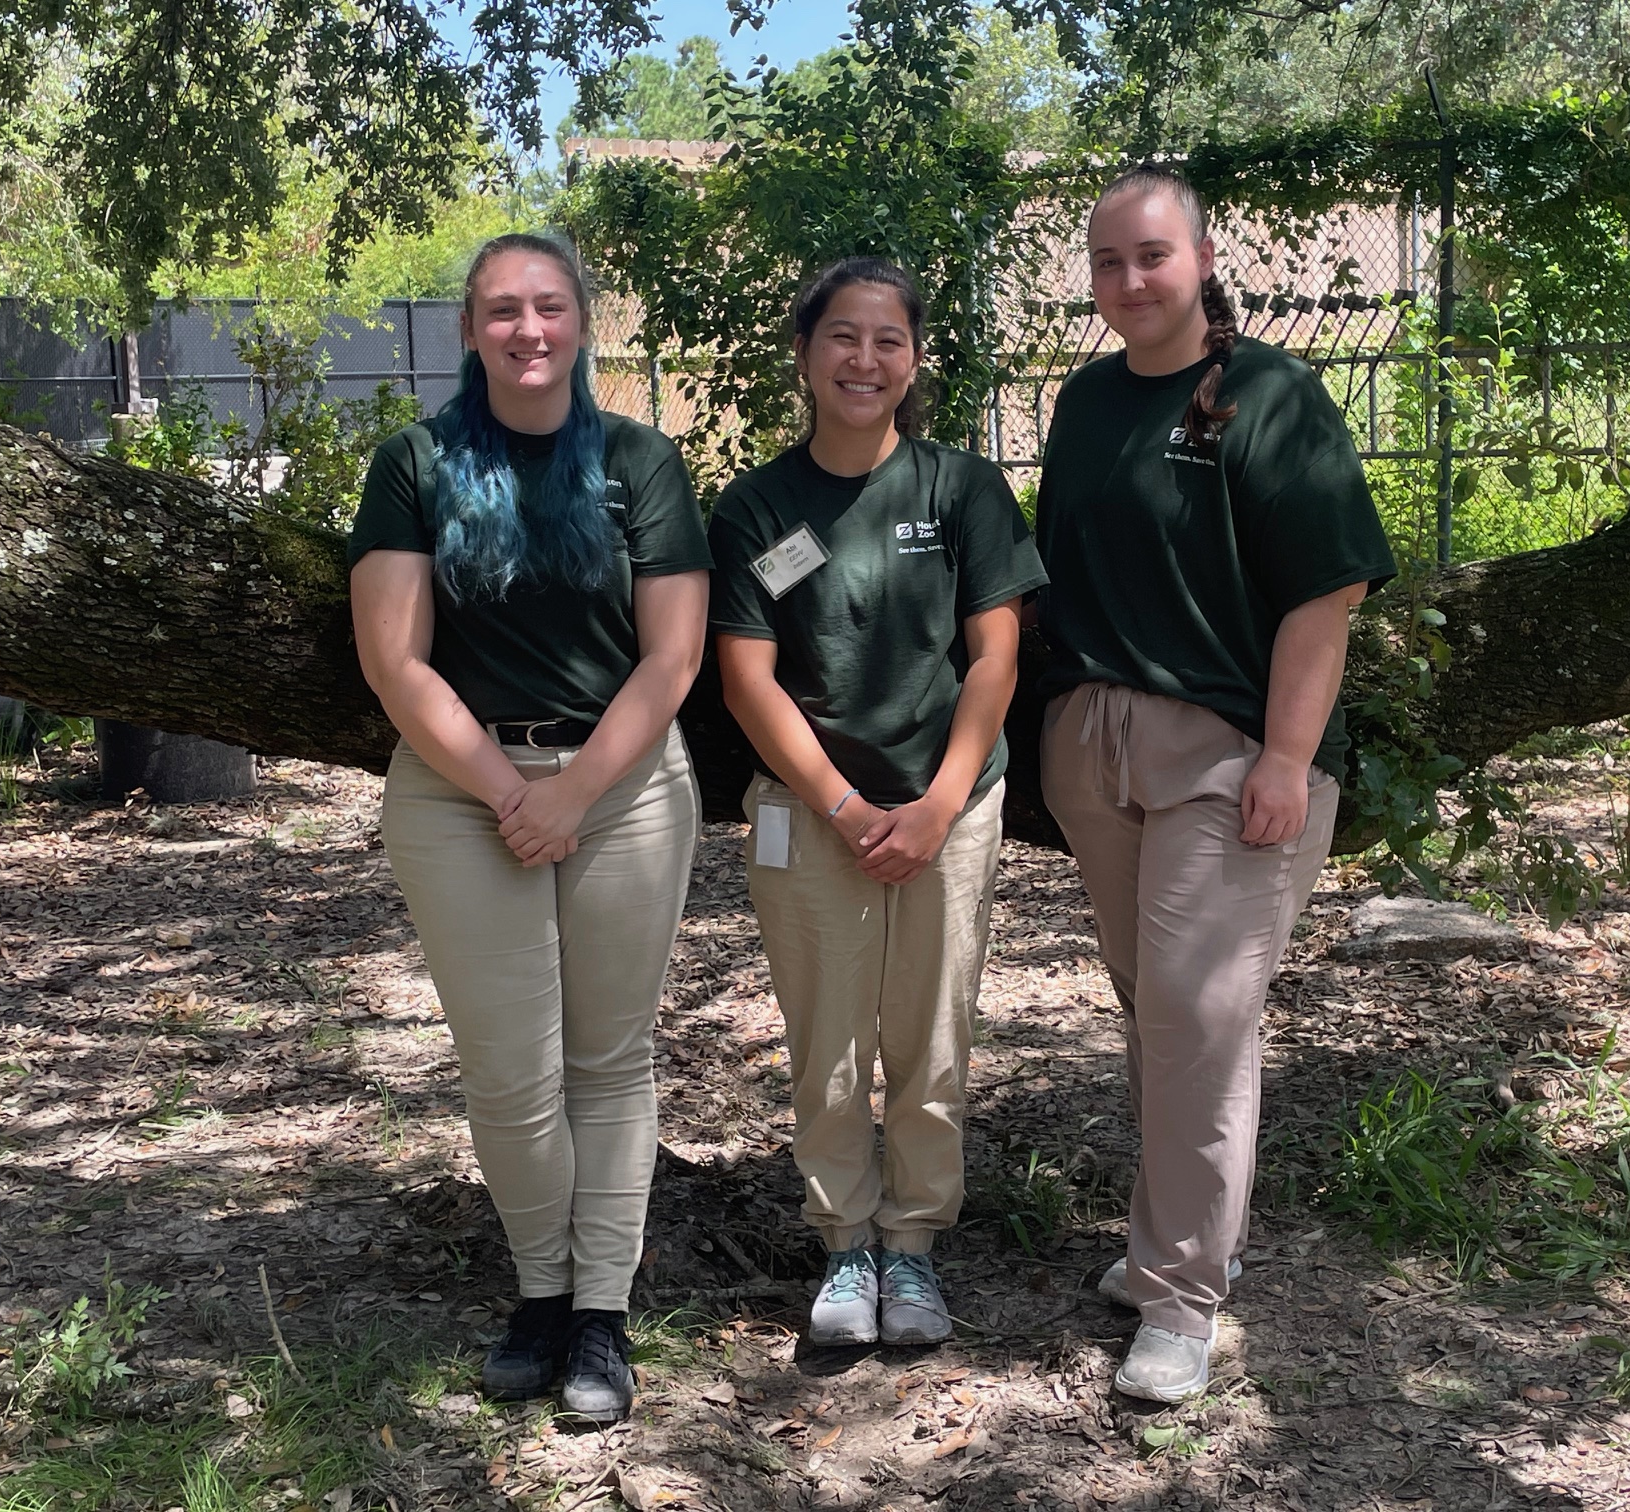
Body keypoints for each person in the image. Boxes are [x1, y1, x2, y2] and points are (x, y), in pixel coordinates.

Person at [1035, 167, 1397, 1402]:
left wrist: (1289, 759)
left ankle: (1183, 1298)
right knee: (1159, 1009)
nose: (1130, 282)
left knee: (1198, 1010)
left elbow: (1325, 591)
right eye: (1107, 263)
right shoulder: (1082, 405)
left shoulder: (1269, 396)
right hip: (1098, 747)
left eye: (1151, 256)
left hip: (1232, 752)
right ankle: (1170, 1249)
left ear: (1199, 259)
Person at [348, 232, 710, 1421]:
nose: (529, 330)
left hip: (624, 789)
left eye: (549, 306)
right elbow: (395, 662)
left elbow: (672, 661)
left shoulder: (644, 464)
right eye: (502, 311)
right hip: (461, 796)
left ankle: (602, 1315)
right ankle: (539, 1292)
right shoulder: (412, 465)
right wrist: (510, 794)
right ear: (468, 330)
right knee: (510, 1074)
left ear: (582, 320)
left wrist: (572, 792)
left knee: (608, 1063)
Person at [708, 257, 1047, 1347]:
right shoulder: (760, 507)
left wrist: (940, 804)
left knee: (932, 1038)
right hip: (811, 817)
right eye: (842, 338)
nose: (865, 359)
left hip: (950, 806)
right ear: (805, 355)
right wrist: (847, 810)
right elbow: (746, 678)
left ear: (913, 360)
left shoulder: (960, 490)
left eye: (887, 340)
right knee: (829, 1045)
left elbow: (995, 656)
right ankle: (845, 1245)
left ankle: (913, 1250)